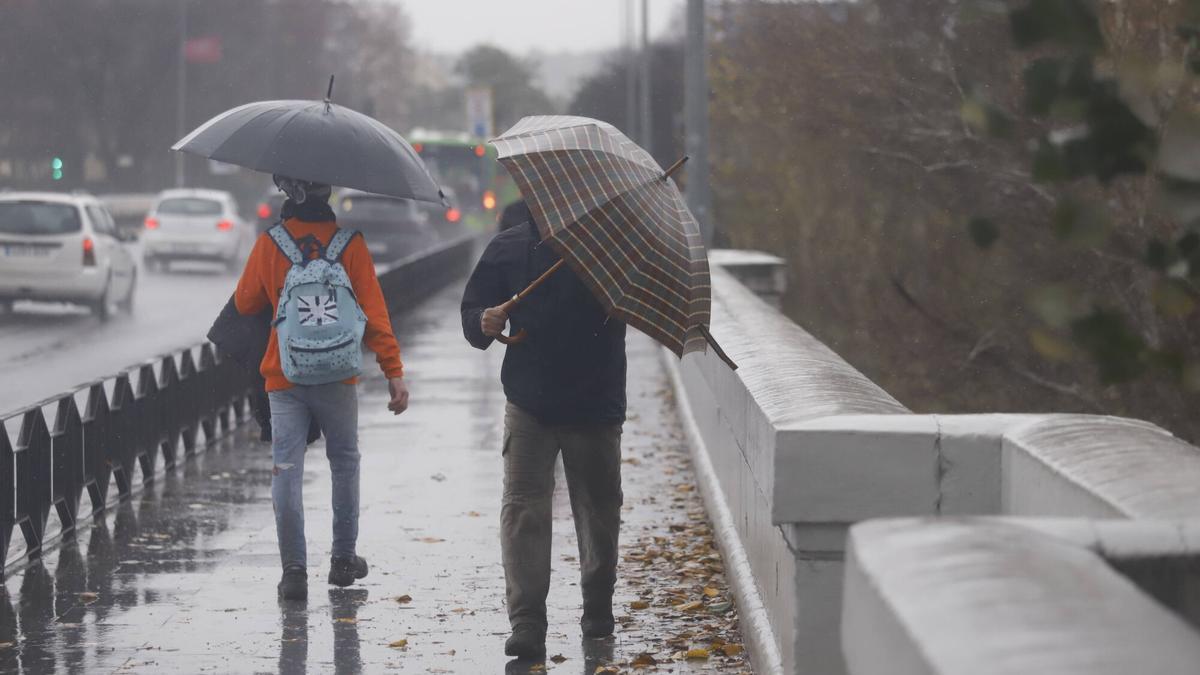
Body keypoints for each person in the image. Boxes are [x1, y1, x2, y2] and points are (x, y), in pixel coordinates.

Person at [235, 174, 410, 601]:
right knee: (344, 461)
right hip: (338, 373)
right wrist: (393, 370)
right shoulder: (350, 245)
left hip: (285, 375)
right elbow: (374, 312)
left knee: (286, 468)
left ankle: (294, 571)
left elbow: (244, 302)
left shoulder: (270, 243)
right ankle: (343, 559)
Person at [460, 214, 627, 660]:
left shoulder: (610, 249)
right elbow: (473, 313)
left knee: (599, 512)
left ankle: (598, 603)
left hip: (595, 404)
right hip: (529, 403)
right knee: (522, 512)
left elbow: (632, 307)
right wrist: (483, 321)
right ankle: (527, 622)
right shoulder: (508, 247)